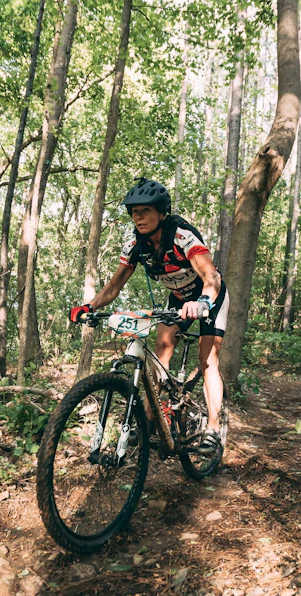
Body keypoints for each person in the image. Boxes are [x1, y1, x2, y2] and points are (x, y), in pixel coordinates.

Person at [69, 178, 227, 454]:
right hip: (177, 299)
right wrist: (90, 306)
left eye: (145, 210)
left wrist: (202, 301)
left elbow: (210, 275)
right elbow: (114, 286)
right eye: (133, 212)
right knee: (161, 353)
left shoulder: (182, 236)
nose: (138, 217)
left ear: (162, 212)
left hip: (209, 296)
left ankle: (213, 428)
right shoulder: (136, 244)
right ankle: (148, 421)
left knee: (208, 361)